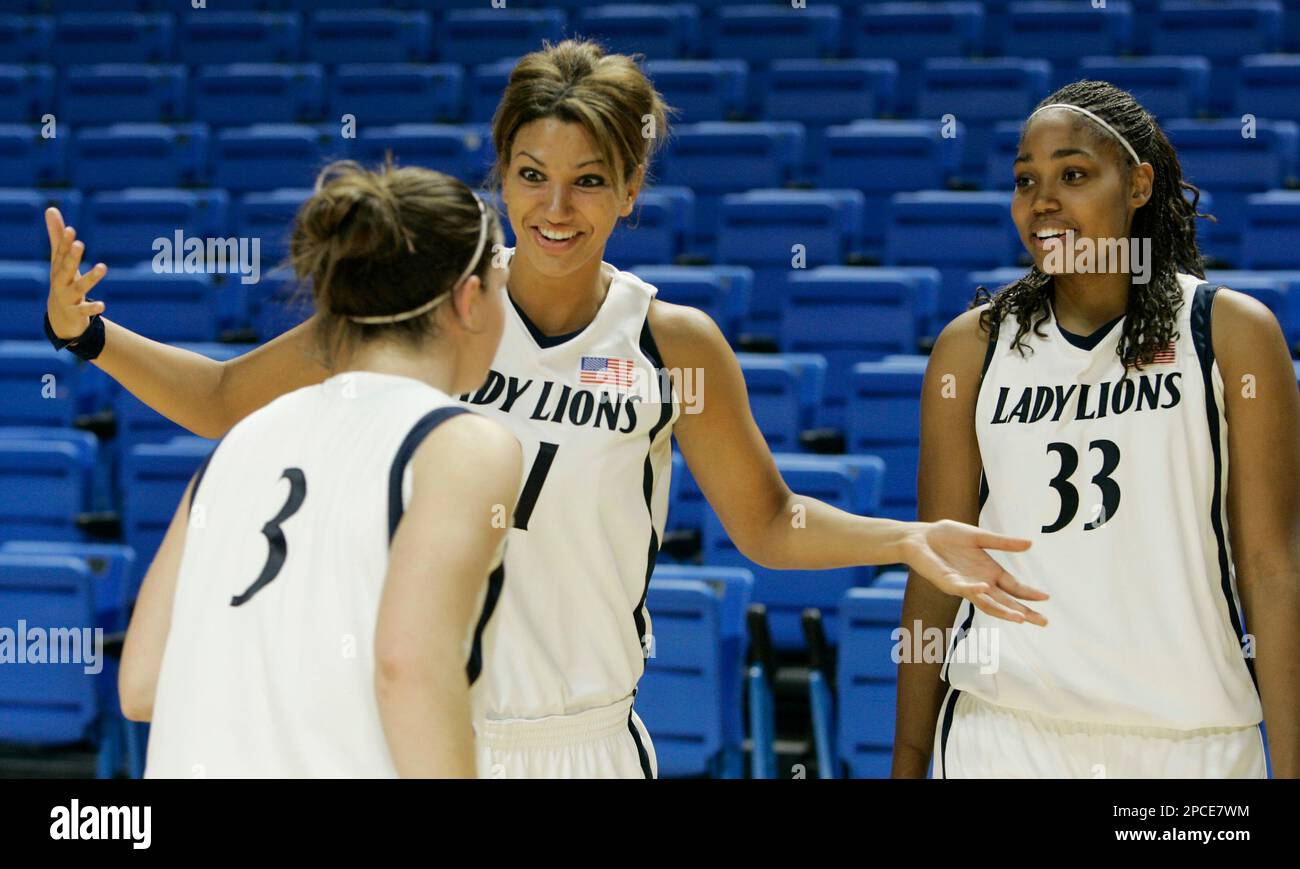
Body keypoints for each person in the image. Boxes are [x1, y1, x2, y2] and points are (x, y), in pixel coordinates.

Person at [52, 39, 1042, 779]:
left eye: (587, 181)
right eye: (530, 176)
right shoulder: (428, 303)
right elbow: (228, 396)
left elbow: (769, 521)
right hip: (426, 728)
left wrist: (902, 537)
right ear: (500, 174)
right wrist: (90, 336)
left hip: (584, 739)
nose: (554, 207)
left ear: (630, 188)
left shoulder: (669, 341)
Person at [894, 81, 1299, 779]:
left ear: (1138, 184)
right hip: (1007, 732)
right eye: (1027, 180)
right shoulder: (973, 349)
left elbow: (1271, 568)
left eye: (1073, 175)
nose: (1043, 200)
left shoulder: (1229, 335)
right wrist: (906, 763)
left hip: (1189, 739)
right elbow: (938, 570)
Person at [115, 162, 520, 777]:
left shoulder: (239, 443)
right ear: (468, 300)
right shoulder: (463, 445)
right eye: (497, 285)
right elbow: (408, 669)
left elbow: (142, 683)